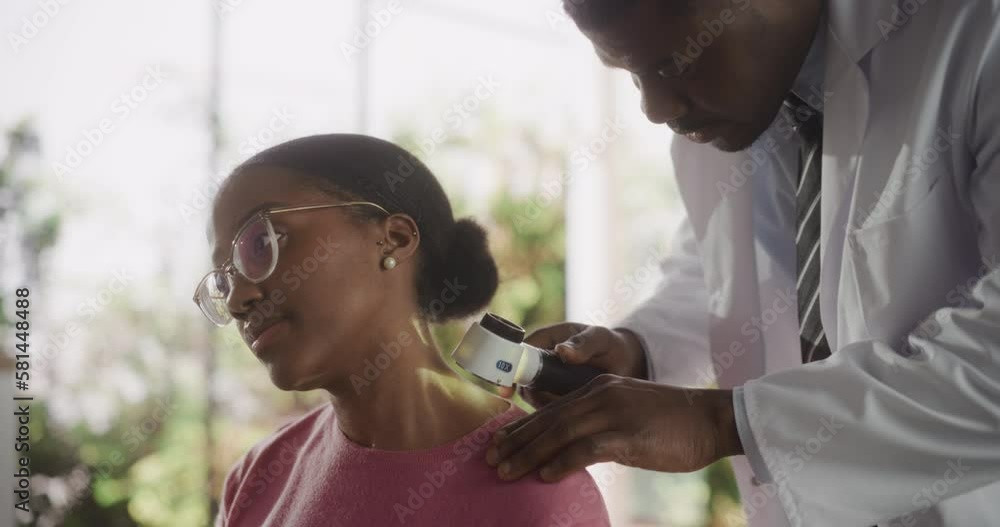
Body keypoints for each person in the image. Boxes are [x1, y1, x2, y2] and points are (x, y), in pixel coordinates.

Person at [486, 1, 1000, 526]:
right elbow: (722, 272)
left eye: (673, 64)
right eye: (634, 74)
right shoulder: (736, 111)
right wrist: (637, 349)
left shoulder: (979, 33)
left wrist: (719, 424)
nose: (656, 109)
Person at [198, 134, 610, 526]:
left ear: (393, 238)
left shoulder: (538, 488)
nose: (237, 301)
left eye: (260, 243)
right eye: (224, 279)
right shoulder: (259, 476)